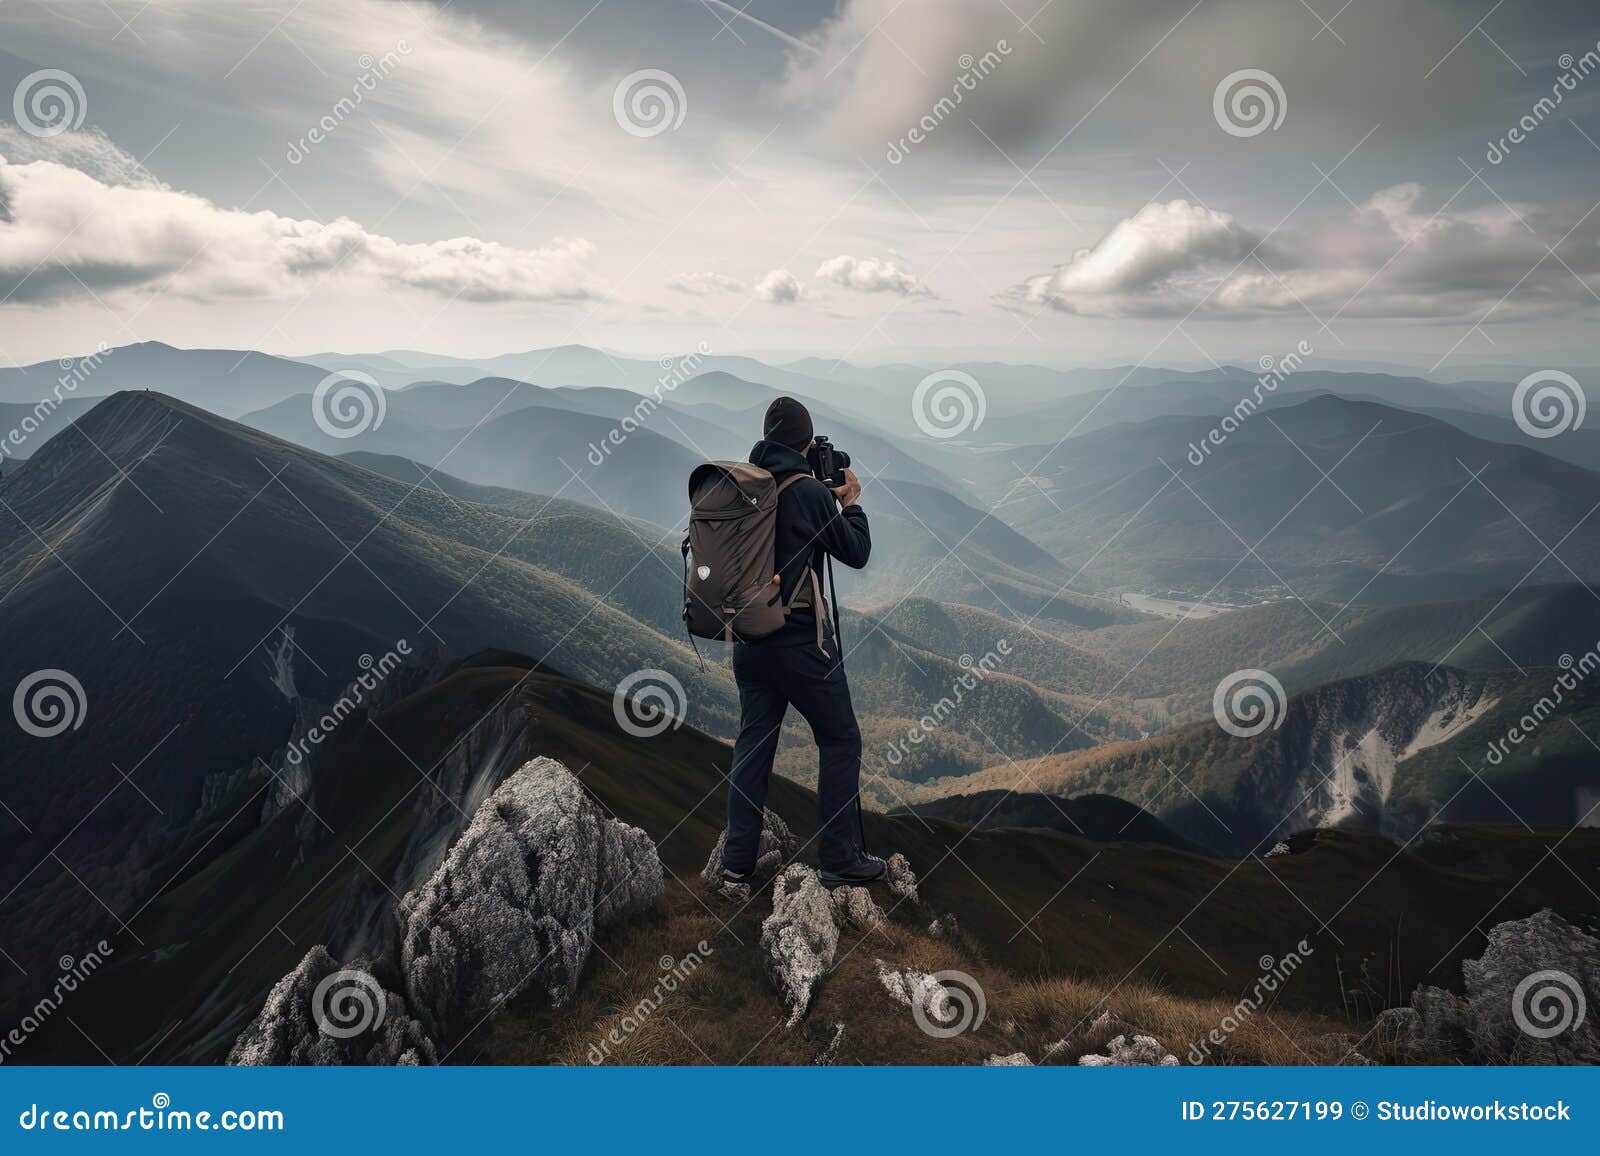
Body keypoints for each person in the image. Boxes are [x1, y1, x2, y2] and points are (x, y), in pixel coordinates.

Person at [719, 396, 885, 890]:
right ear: (807, 443)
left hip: (749, 643)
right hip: (799, 647)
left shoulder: (747, 486)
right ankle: (838, 860)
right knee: (840, 739)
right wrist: (850, 502)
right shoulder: (807, 492)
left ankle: (736, 863)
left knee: (753, 746)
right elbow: (855, 552)